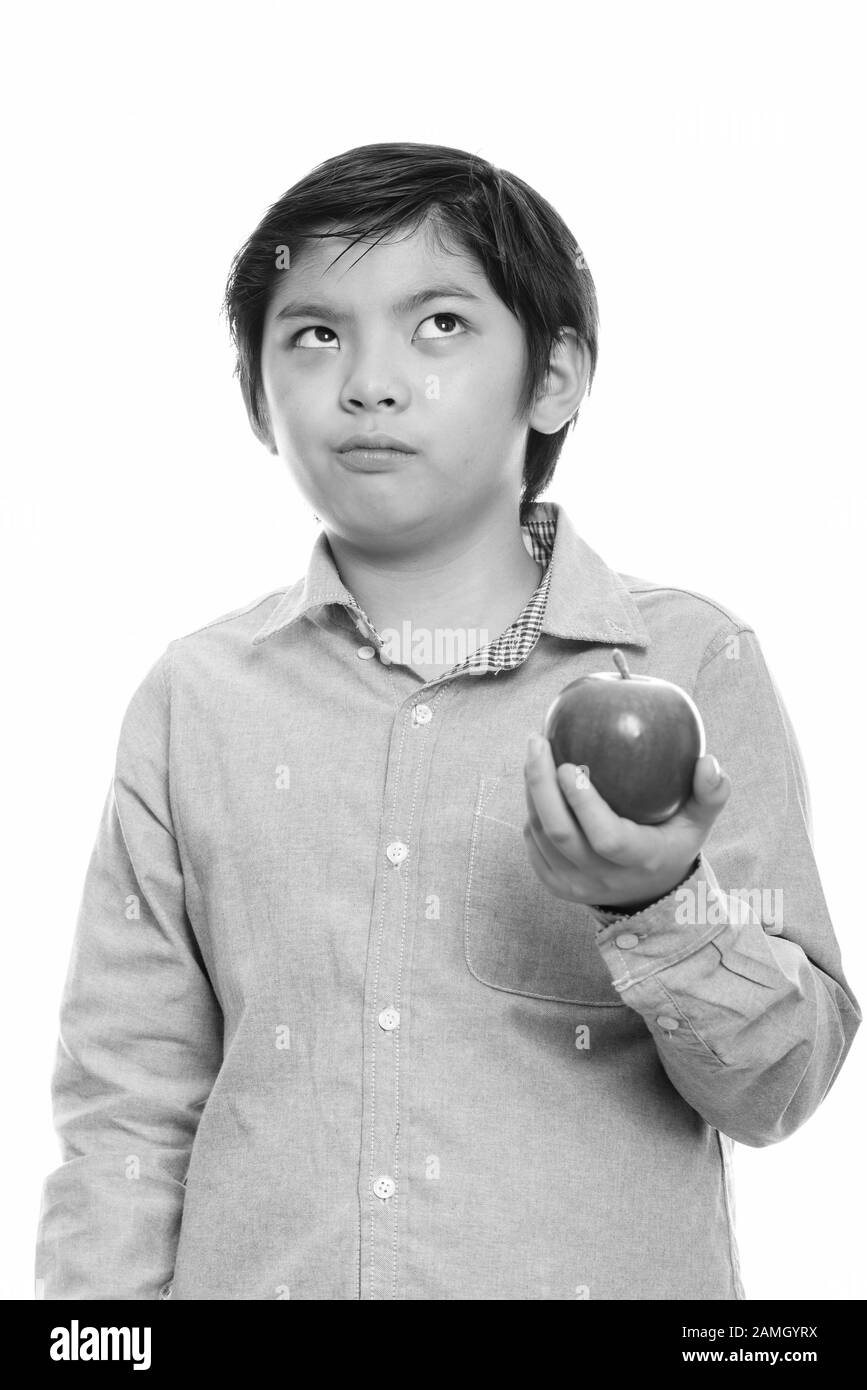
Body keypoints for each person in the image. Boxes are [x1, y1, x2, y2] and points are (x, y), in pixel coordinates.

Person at [35, 141, 861, 1300]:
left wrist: (658, 902)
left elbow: (781, 1085)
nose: (369, 380)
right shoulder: (197, 700)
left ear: (555, 377)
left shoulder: (689, 664)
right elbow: (128, 1103)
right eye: (314, 333)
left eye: (438, 325)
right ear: (259, 403)